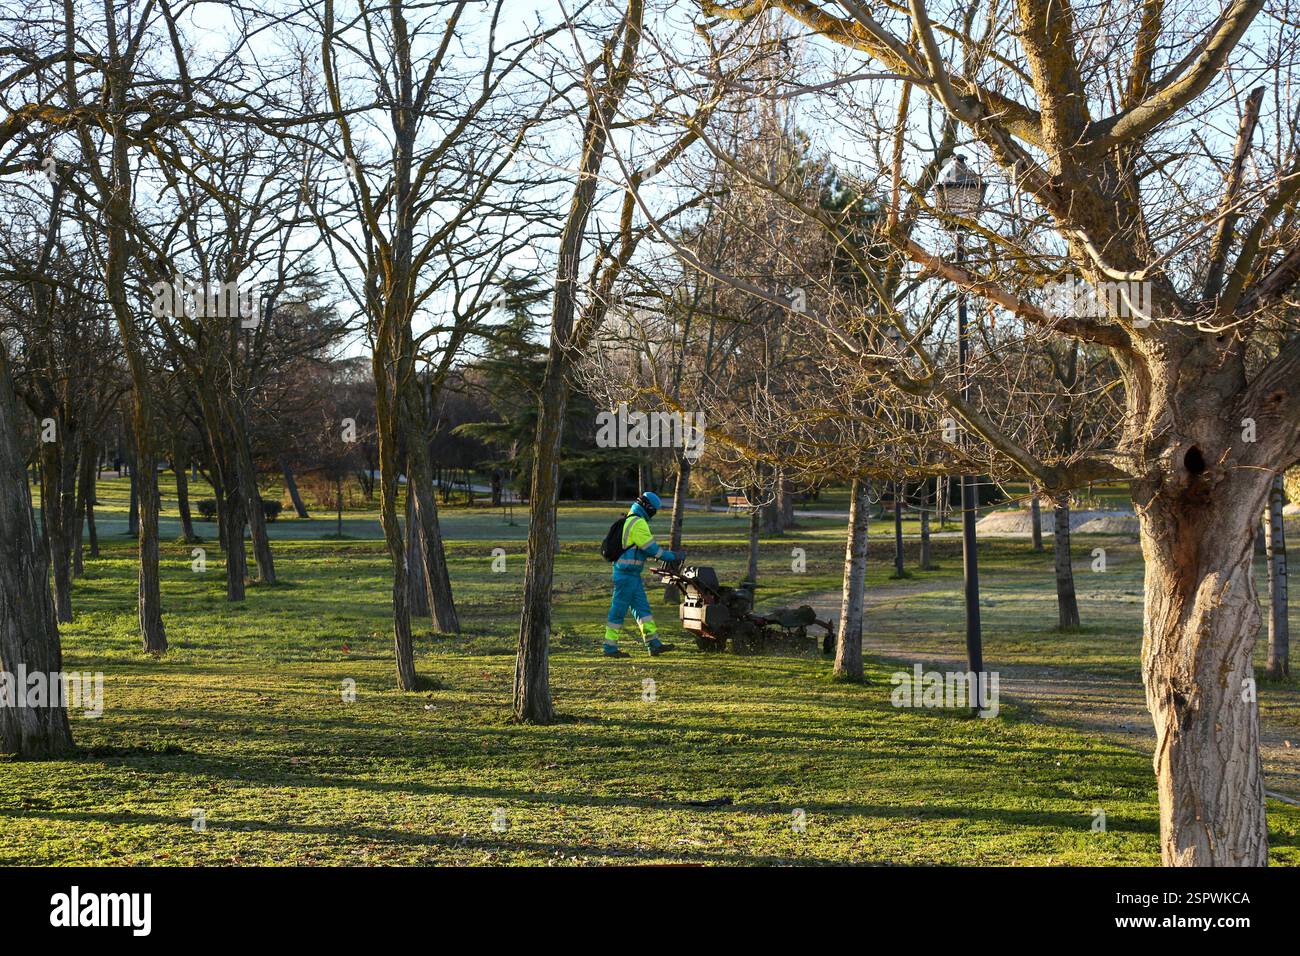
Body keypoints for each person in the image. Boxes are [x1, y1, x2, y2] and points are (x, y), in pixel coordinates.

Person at [604, 491, 680, 658]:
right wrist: (672, 556)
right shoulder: (637, 523)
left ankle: (654, 644)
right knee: (618, 610)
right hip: (626, 576)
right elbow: (652, 548)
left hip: (630, 575)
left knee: (643, 611)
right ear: (648, 507)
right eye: (655, 510)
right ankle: (609, 648)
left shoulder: (631, 520)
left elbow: (637, 548)